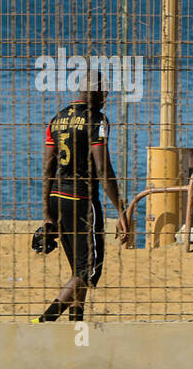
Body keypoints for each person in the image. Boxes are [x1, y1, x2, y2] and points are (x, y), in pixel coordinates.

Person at [35, 70, 130, 323]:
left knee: (78, 271)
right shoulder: (97, 120)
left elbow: (47, 168)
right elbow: (102, 169)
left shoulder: (57, 119)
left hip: (57, 197)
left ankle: (76, 327)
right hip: (83, 202)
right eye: (105, 90)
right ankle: (45, 321)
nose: (107, 95)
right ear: (96, 92)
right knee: (88, 271)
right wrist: (121, 210)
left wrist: (47, 214)